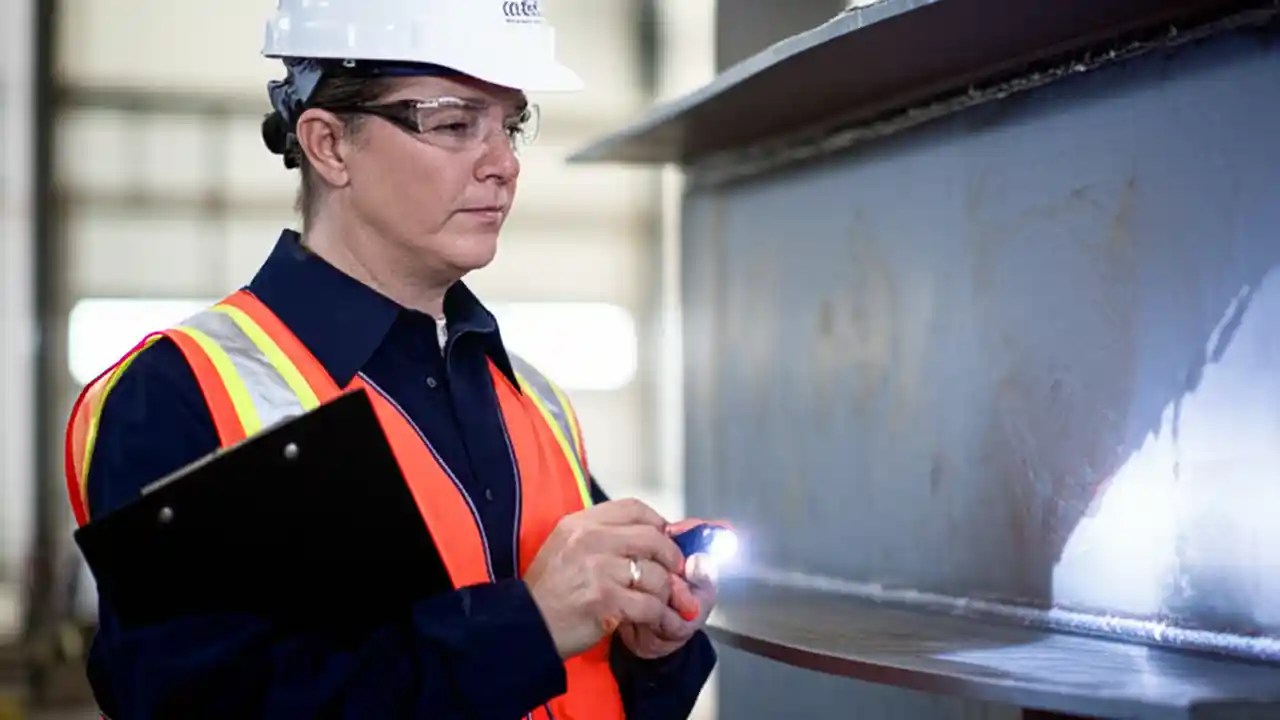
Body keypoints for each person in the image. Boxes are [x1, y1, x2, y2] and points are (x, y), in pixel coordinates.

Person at [61, 1, 718, 717]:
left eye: (511, 125)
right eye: (453, 122)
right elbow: (199, 705)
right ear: (329, 146)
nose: (503, 166)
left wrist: (648, 652)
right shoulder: (184, 393)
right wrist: (526, 627)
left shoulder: (529, 397)